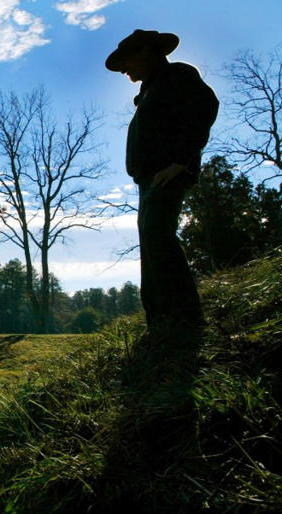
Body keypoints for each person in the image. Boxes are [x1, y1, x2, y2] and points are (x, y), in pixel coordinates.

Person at [106, 29, 219, 340]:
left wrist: (181, 159)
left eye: (126, 61)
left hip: (168, 173)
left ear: (145, 52)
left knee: (159, 238)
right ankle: (160, 323)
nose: (124, 70)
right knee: (152, 244)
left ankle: (185, 320)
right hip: (149, 178)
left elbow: (205, 107)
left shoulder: (177, 75)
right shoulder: (150, 91)